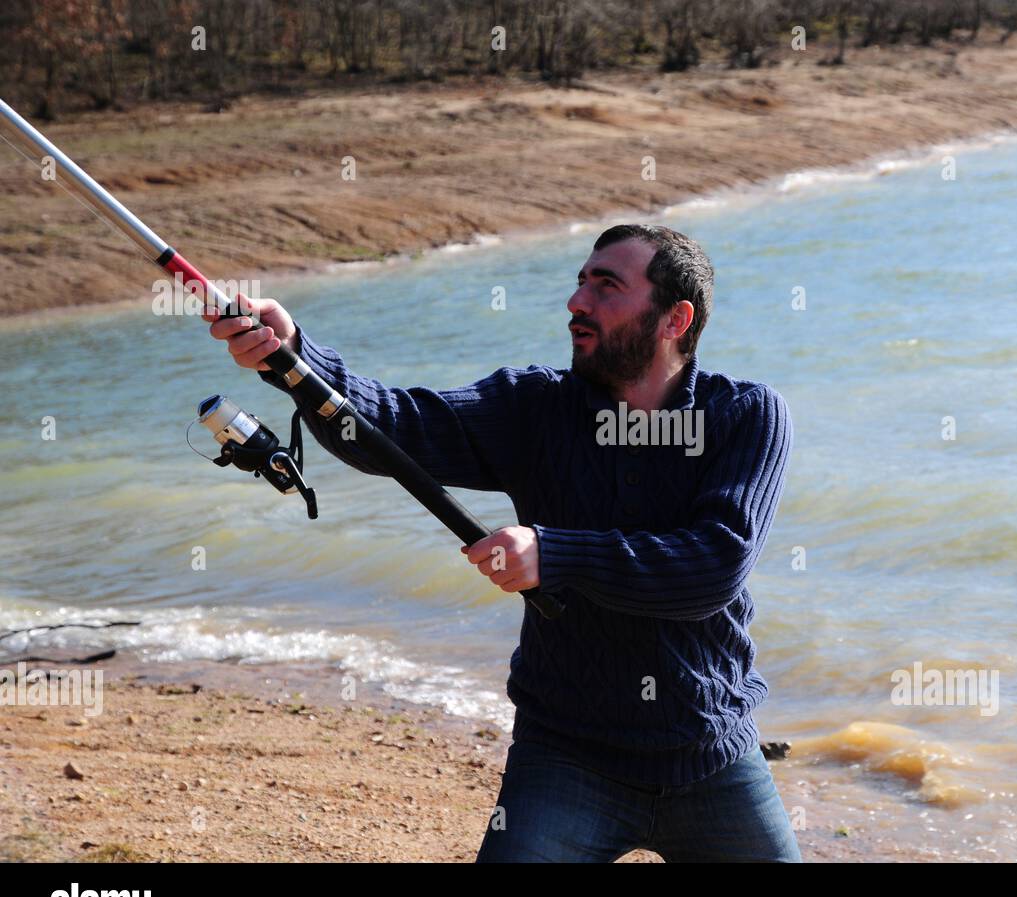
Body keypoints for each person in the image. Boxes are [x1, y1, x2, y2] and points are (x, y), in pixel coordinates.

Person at [206, 224, 800, 862]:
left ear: (674, 319)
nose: (576, 301)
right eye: (580, 282)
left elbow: (713, 566)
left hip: (712, 754)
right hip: (565, 756)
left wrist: (553, 553)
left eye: (606, 287)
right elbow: (393, 429)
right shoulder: (533, 408)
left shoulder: (746, 415)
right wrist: (296, 357)